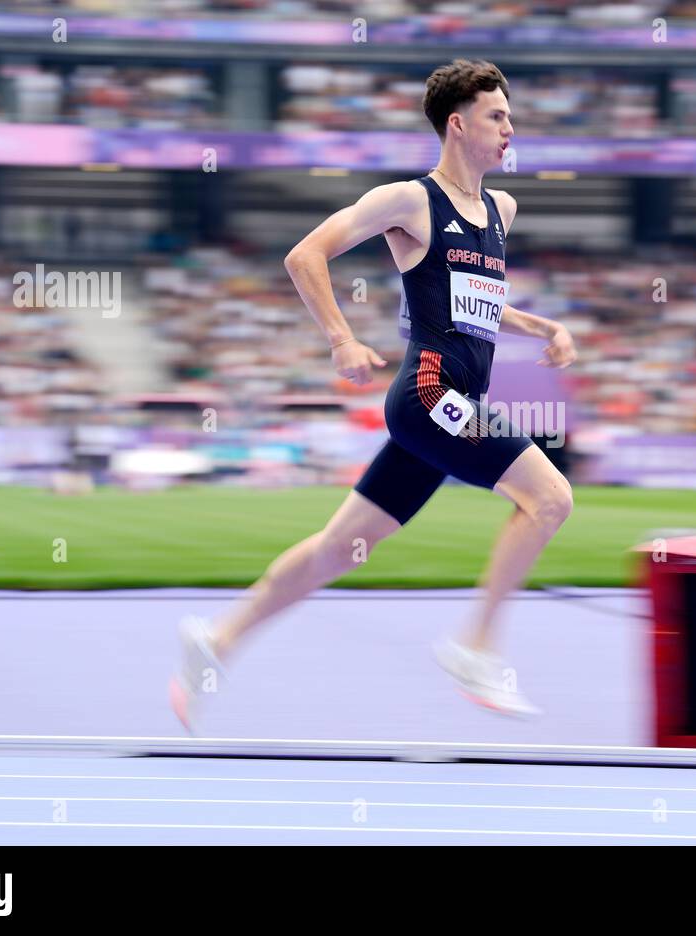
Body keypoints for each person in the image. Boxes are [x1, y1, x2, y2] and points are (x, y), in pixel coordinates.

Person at [170, 59, 577, 729]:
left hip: (446, 411)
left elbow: (474, 303)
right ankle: (476, 649)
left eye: (510, 116)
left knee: (339, 548)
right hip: (428, 395)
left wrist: (541, 326)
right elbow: (304, 255)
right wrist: (341, 340)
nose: (511, 128)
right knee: (549, 496)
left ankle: (215, 642)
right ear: (458, 124)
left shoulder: (501, 209)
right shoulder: (411, 201)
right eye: (497, 116)